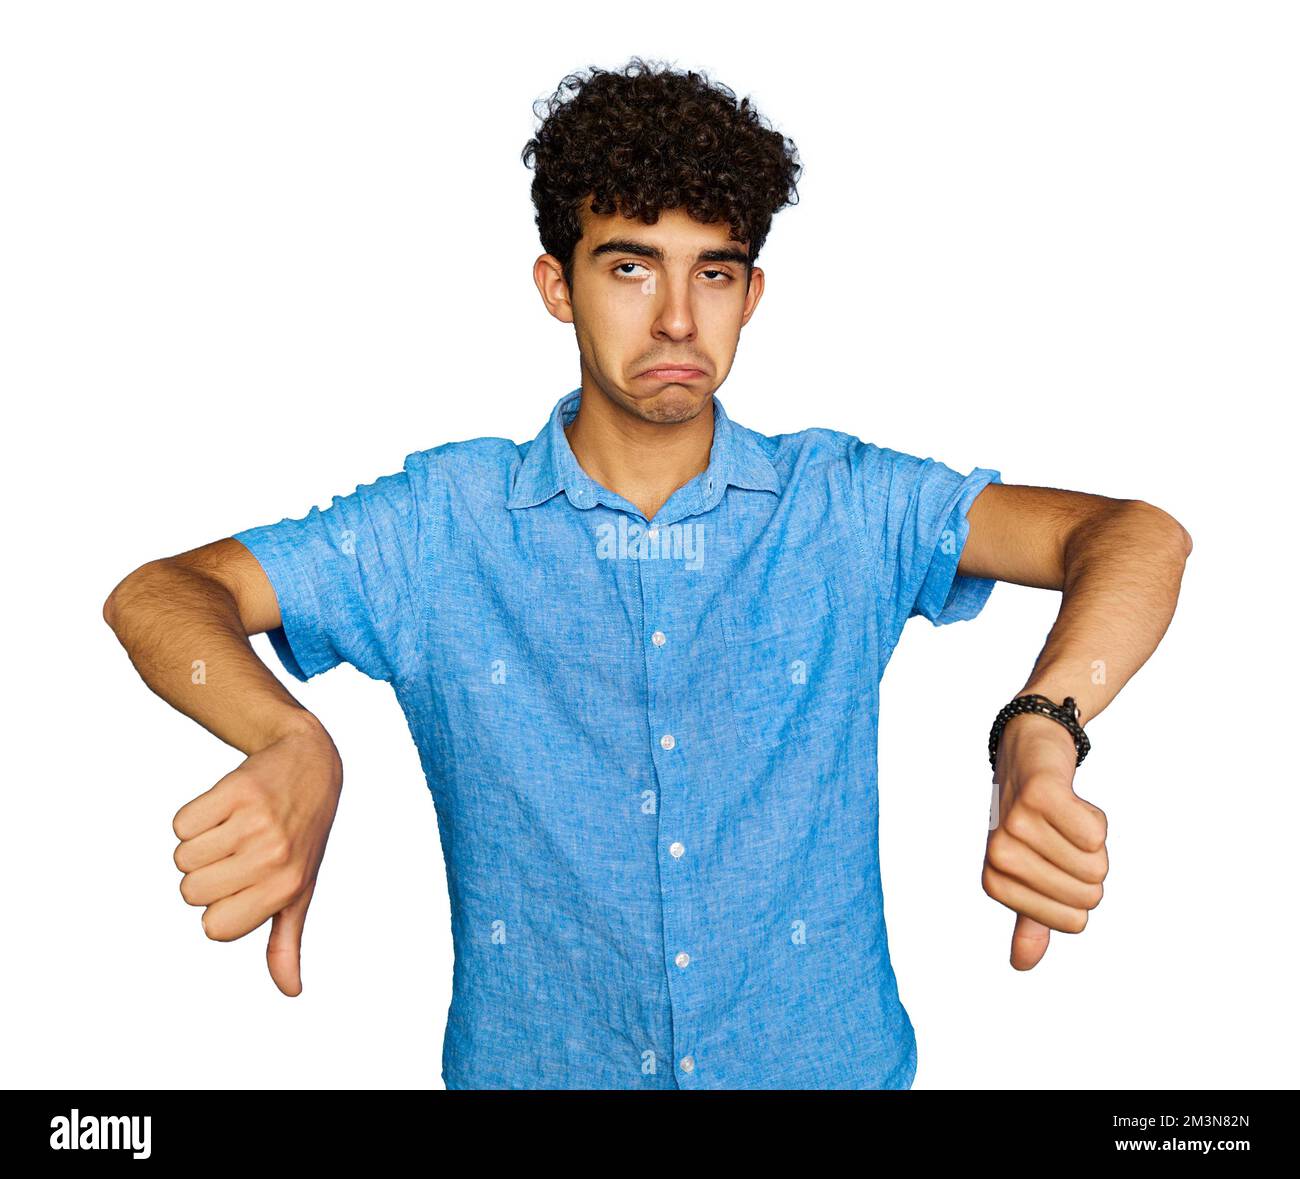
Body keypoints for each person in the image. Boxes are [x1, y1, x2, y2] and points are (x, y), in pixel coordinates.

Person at [103, 56, 1192, 1090]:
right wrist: (286, 736)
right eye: (630, 266)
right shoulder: (441, 526)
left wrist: (1043, 723)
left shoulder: (845, 504)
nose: (676, 317)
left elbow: (1135, 536)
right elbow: (160, 594)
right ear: (556, 284)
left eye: (711, 272)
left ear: (750, 293)